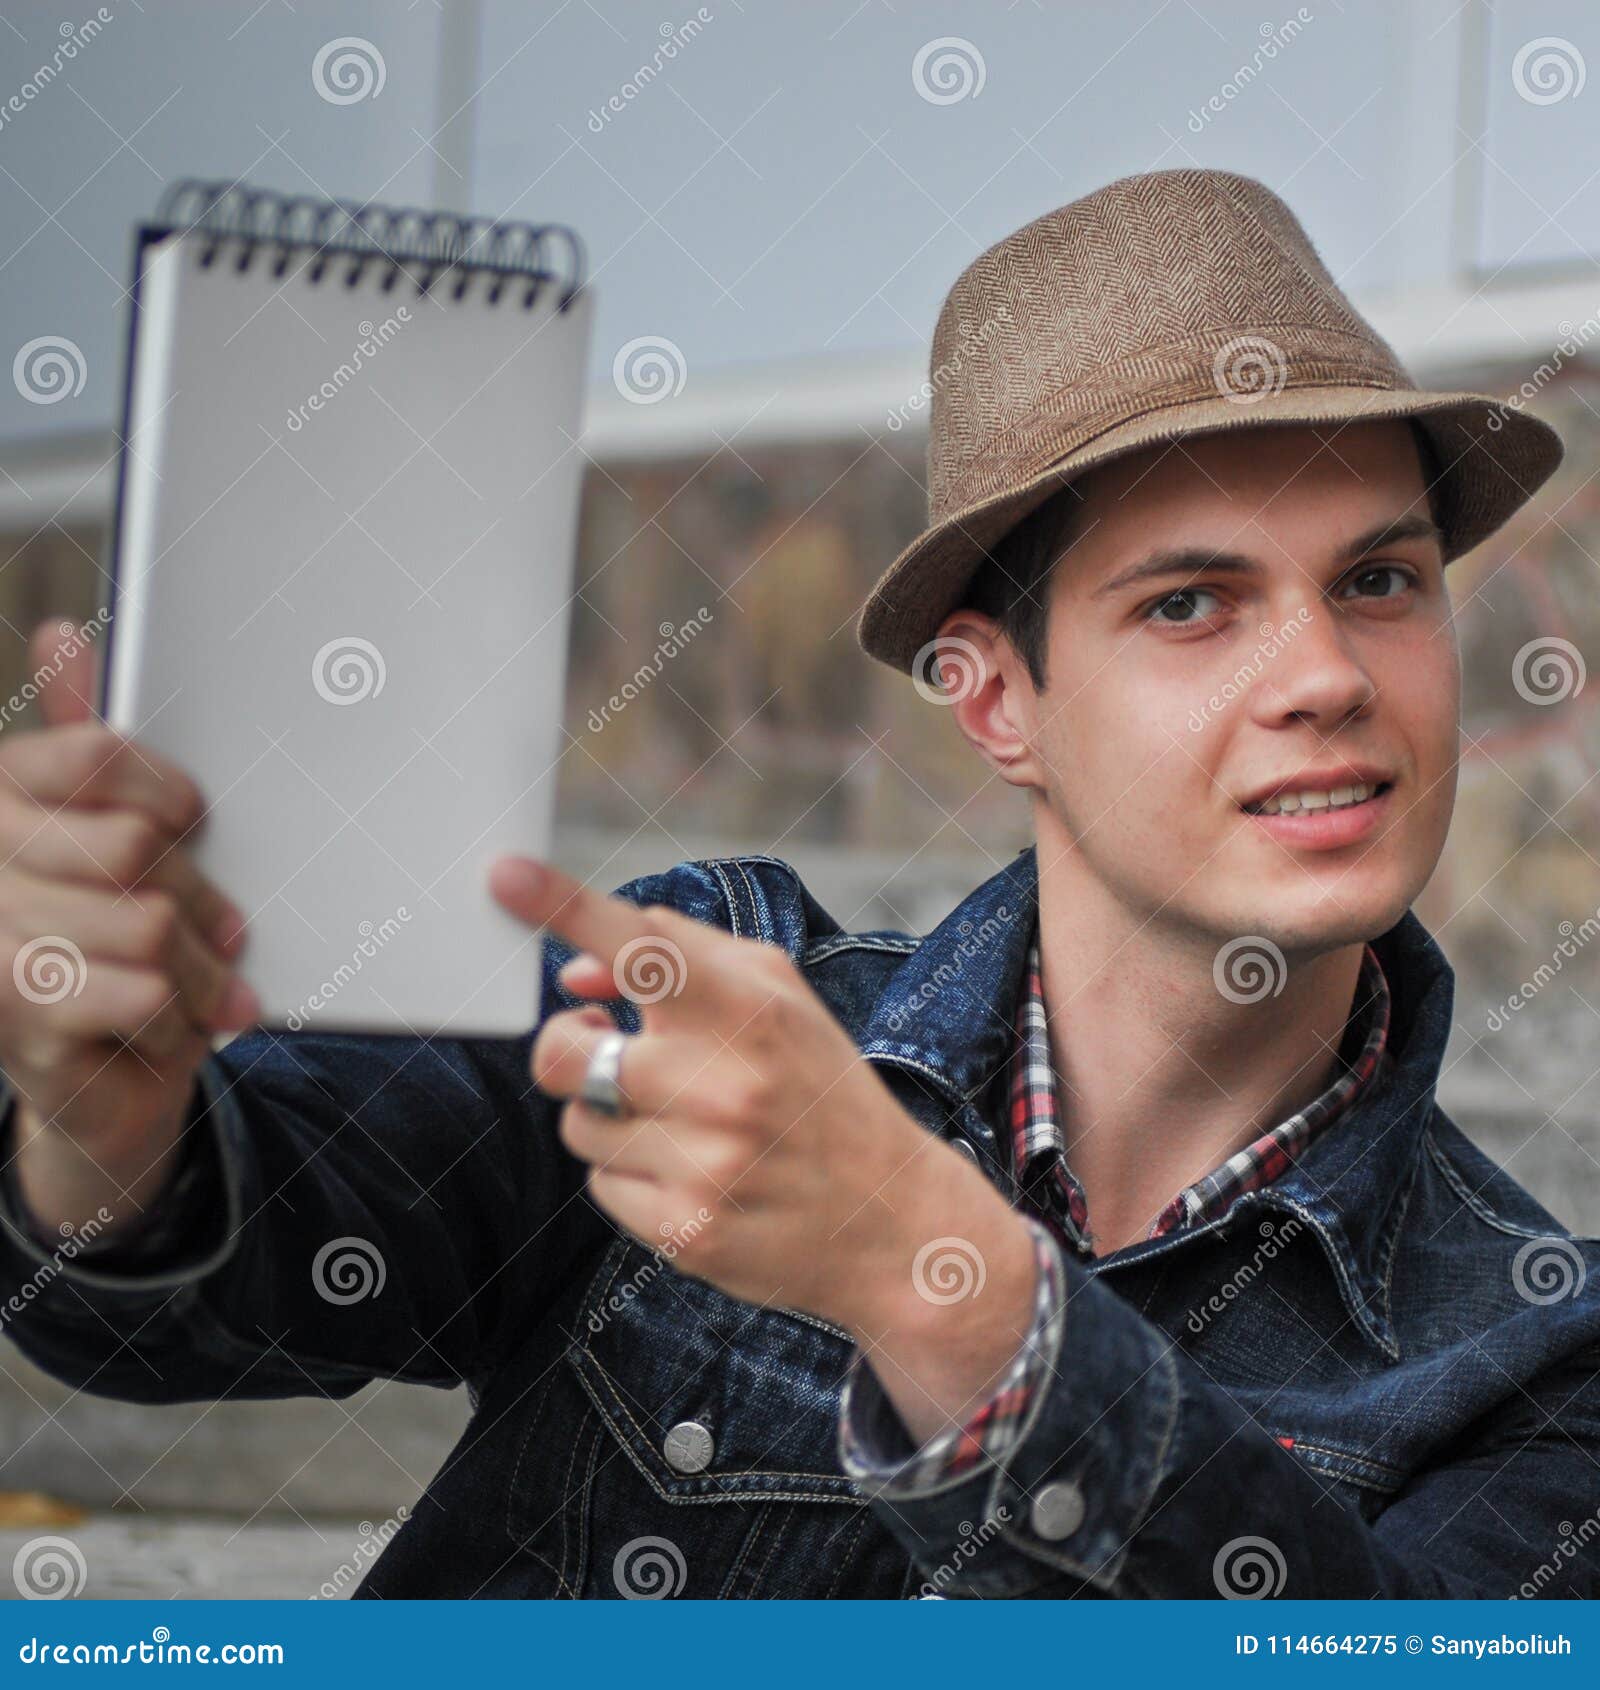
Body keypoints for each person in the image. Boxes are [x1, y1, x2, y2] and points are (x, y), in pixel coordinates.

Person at [0, 167, 1596, 1601]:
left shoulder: (1543, 1355)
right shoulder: (716, 984)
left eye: (1378, 580)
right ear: (996, 703)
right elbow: (175, 1292)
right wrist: (106, 1124)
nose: (1326, 674)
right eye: (1193, 603)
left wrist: (935, 1281)